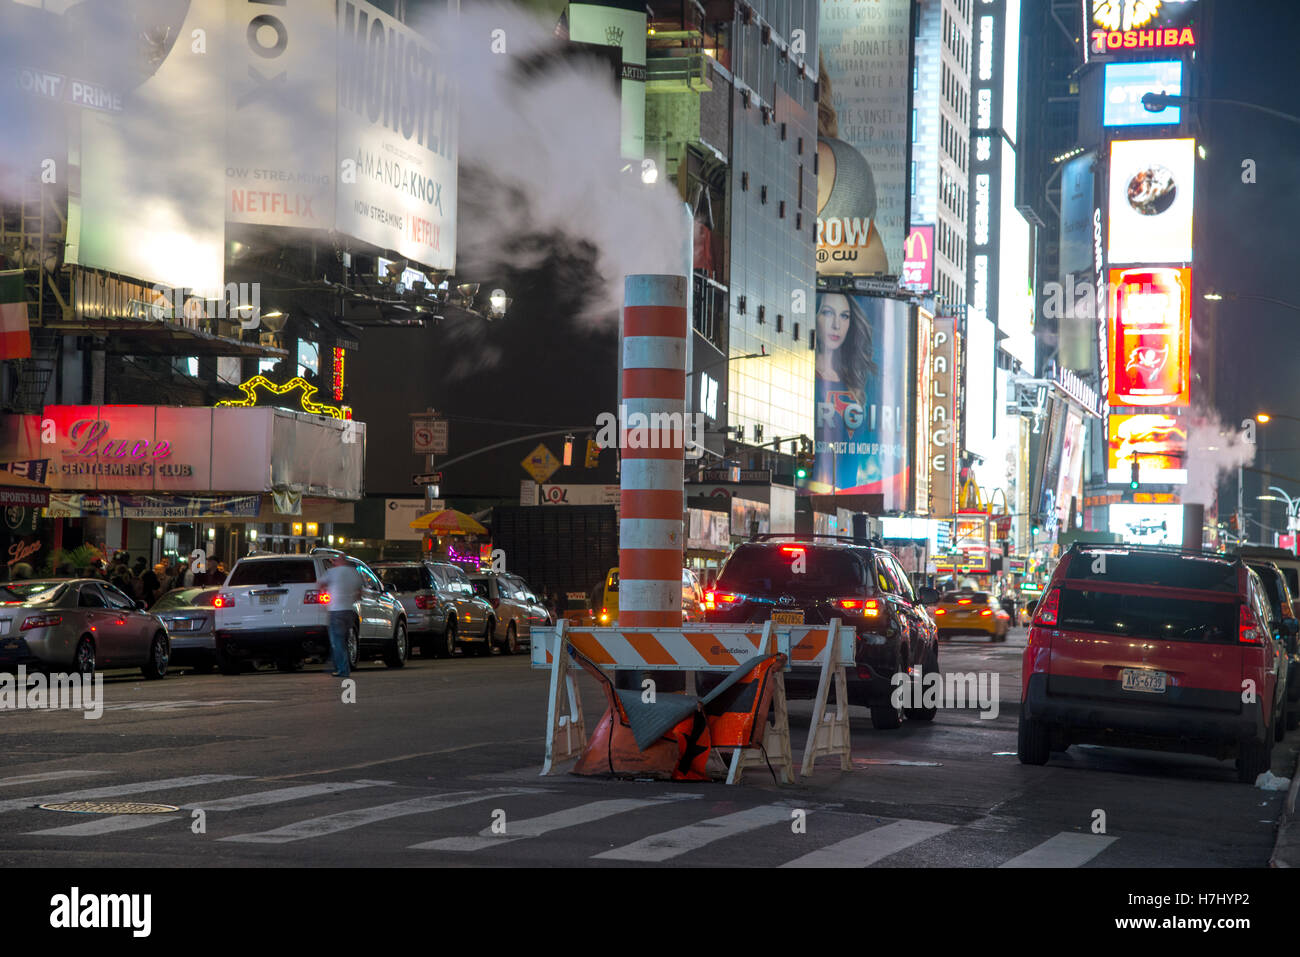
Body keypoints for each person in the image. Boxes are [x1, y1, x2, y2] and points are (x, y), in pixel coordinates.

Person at [319, 557, 362, 678]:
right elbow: (359, 593)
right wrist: (350, 600)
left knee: (337, 641)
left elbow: (320, 584)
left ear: (338, 562)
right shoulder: (354, 572)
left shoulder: (332, 572)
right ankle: (337, 665)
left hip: (336, 610)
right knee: (343, 639)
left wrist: (324, 593)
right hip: (349, 611)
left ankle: (342, 669)